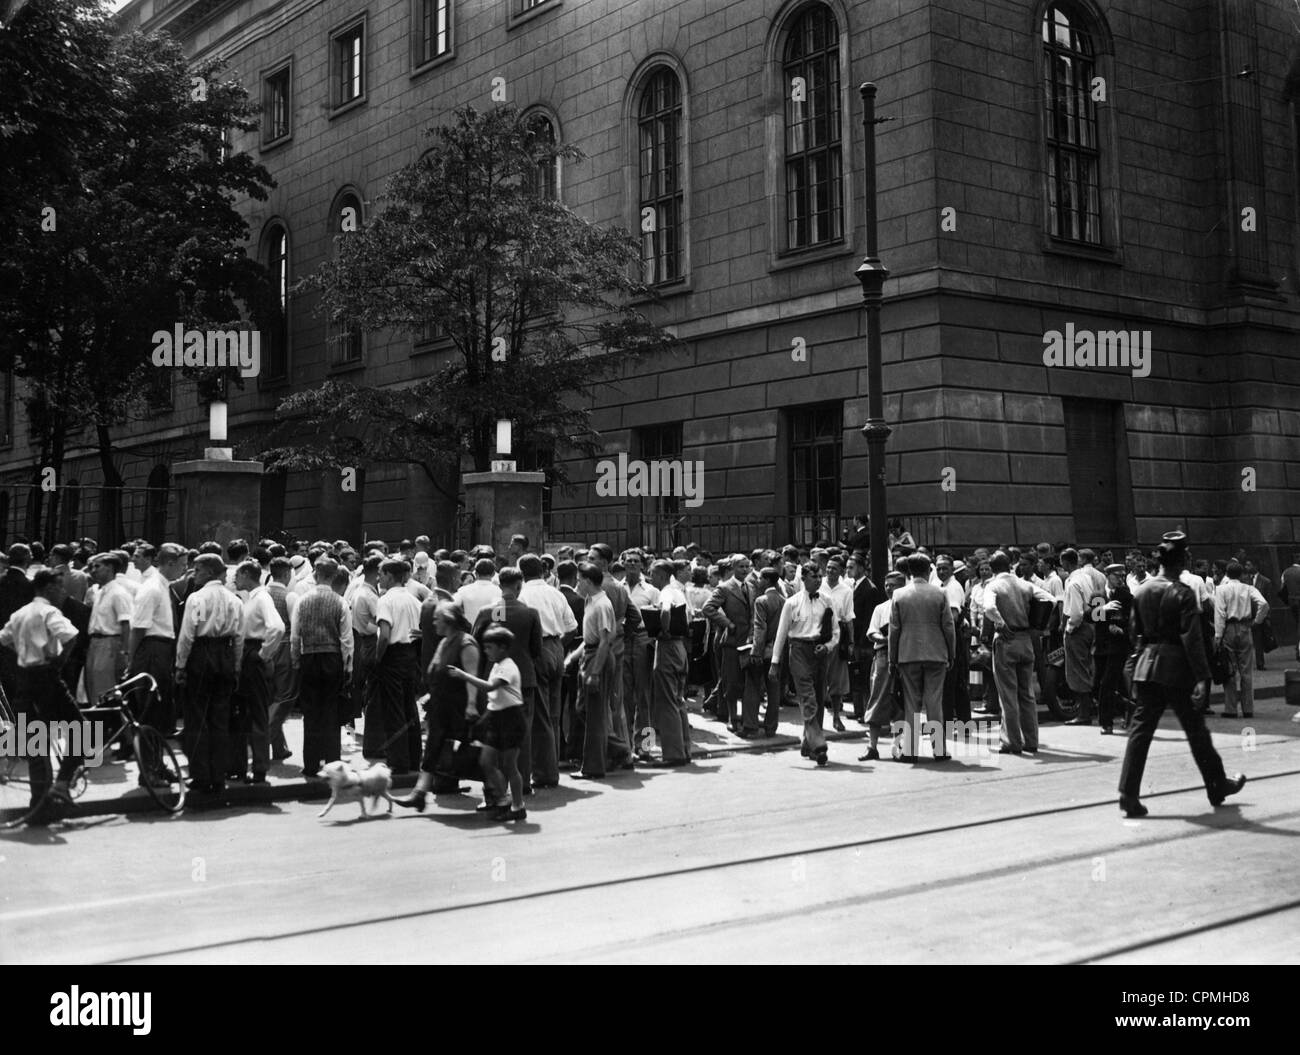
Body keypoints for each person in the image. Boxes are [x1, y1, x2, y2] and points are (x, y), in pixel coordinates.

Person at [1118, 533, 1246, 817]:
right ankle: (1216, 784)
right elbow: (1192, 638)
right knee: (1196, 731)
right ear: (1182, 560)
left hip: (1146, 667)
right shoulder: (1183, 592)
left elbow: (1132, 632)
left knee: (1140, 732)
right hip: (1176, 670)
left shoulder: (1141, 590)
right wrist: (1203, 676)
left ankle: (1128, 794)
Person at [0, 570, 82, 825]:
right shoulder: (49, 612)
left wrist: (23, 653)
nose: (63, 592)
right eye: (59, 587)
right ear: (47, 589)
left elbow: (4, 639)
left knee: (36, 743)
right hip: (47, 678)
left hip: (24, 678)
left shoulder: (20, 613)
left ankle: (39, 805)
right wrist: (57, 661)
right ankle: (62, 783)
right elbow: (71, 635)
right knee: (82, 730)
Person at [397, 601, 481, 809]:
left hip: (460, 706)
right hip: (441, 706)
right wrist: (430, 696)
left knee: (474, 750)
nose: (433, 623)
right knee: (432, 749)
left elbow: (472, 676)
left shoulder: (466, 644)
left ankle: (496, 792)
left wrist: (471, 704)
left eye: (437, 619)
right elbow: (436, 670)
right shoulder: (444, 642)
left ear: (449, 621)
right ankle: (419, 794)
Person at [174, 554, 245, 795]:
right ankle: (218, 774)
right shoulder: (233, 600)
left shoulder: (199, 599)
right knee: (220, 718)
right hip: (225, 656)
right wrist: (235, 666)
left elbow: (188, 634)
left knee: (197, 717)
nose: (194, 574)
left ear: (209, 572)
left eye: (198, 570)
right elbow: (239, 638)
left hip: (202, 655)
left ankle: (201, 774)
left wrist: (181, 665)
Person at [471, 568, 546, 789]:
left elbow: (477, 643)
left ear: (499, 584)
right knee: (523, 732)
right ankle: (522, 783)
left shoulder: (490, 611)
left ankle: (496, 785)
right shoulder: (531, 613)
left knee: (495, 733)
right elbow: (536, 649)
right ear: (519, 586)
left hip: (494, 679)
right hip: (524, 679)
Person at [449, 625, 527, 821]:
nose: (486, 651)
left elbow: (491, 686)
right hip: (496, 717)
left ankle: (518, 807)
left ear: (502, 648)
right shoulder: (496, 665)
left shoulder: (508, 666)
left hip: (511, 718)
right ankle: (503, 799)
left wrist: (463, 675)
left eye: (489, 647)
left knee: (510, 766)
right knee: (486, 761)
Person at [982, 550, 1056, 755]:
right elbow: (1050, 599)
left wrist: (1000, 623)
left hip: (1006, 640)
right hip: (1026, 640)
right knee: (1027, 693)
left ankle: (1011, 742)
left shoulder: (993, 585)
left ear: (993, 567)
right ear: (1010, 565)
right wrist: (1038, 625)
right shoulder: (1025, 585)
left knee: (1008, 695)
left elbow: (988, 607)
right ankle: (1031, 740)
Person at [290, 556, 353, 779]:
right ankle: (332, 761)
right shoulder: (340, 602)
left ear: (315, 574)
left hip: (309, 658)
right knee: (330, 712)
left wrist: (296, 660)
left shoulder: (302, 600)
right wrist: (348, 667)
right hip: (333, 659)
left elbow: (295, 635)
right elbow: (346, 640)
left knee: (311, 712)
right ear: (334, 576)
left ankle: (310, 763)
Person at [888, 554, 955, 762]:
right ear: (929, 571)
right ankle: (939, 749)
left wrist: (892, 658)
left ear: (909, 571)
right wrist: (951, 653)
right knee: (934, 702)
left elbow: (894, 630)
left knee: (911, 703)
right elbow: (948, 627)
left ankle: (910, 750)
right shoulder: (940, 593)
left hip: (908, 654)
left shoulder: (899, 595)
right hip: (936, 653)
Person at [770, 564, 836, 766]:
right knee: (807, 698)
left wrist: (828, 646)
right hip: (798, 650)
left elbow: (836, 631)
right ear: (804, 578)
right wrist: (775, 662)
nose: (818, 579)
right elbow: (781, 634)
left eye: (819, 575)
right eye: (814, 576)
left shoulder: (827, 600)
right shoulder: (791, 603)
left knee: (818, 696)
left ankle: (808, 744)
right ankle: (818, 743)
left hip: (820, 651)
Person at [228, 560, 284, 783]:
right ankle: (240, 766)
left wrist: (263, 654)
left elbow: (277, 627)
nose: (235, 579)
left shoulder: (262, 598)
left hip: (254, 655)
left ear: (246, 574)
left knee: (257, 714)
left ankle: (259, 767)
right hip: (247, 655)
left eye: (238, 575)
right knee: (242, 715)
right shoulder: (250, 598)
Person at [372, 559, 422, 774]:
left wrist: (377, 659)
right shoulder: (414, 600)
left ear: (390, 576)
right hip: (411, 655)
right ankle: (413, 758)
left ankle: (398, 761)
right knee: (410, 707)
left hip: (392, 655)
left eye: (381, 574)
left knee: (393, 709)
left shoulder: (386, 600)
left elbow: (384, 636)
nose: (378, 578)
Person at [646, 558, 693, 764]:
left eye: (653, 574)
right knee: (678, 699)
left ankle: (673, 753)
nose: (650, 577)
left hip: (668, 646)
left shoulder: (666, 592)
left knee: (667, 701)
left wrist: (663, 630)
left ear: (662, 575)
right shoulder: (679, 591)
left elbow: (665, 611)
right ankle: (683, 749)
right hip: (680, 647)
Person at [857, 570, 908, 761]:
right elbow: (872, 632)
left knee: (902, 701)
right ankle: (872, 746)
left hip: (904, 656)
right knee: (877, 697)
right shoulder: (881, 608)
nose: (888, 589)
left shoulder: (908, 606)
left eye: (893, 585)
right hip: (883, 655)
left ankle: (900, 746)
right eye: (886, 585)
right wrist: (885, 638)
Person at [1213, 561, 1268, 719]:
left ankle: (1230, 708)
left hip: (1229, 629)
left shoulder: (1221, 589)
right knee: (1246, 671)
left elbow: (1220, 614)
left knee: (1229, 669)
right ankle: (1248, 708)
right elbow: (1264, 604)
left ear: (1227, 574)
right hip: (1245, 628)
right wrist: (1256, 621)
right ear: (1242, 574)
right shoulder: (1248, 588)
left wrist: (1218, 635)